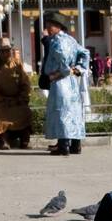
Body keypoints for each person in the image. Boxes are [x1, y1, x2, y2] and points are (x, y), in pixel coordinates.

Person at [41, 11, 90, 156]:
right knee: (73, 113)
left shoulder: (57, 41)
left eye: (49, 26)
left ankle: (63, 146)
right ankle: (76, 145)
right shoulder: (71, 40)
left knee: (61, 112)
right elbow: (85, 53)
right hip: (72, 81)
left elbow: (61, 58)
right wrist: (79, 69)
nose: (47, 29)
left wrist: (59, 73)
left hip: (59, 81)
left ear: (57, 26)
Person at [0, 38, 32, 150]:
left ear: (10, 51)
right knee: (0, 113)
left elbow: (25, 83)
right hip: (2, 101)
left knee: (25, 111)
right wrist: (0, 100)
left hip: (17, 100)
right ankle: (4, 140)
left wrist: (21, 98)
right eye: (1, 51)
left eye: (7, 51)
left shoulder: (17, 64)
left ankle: (24, 140)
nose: (4, 53)